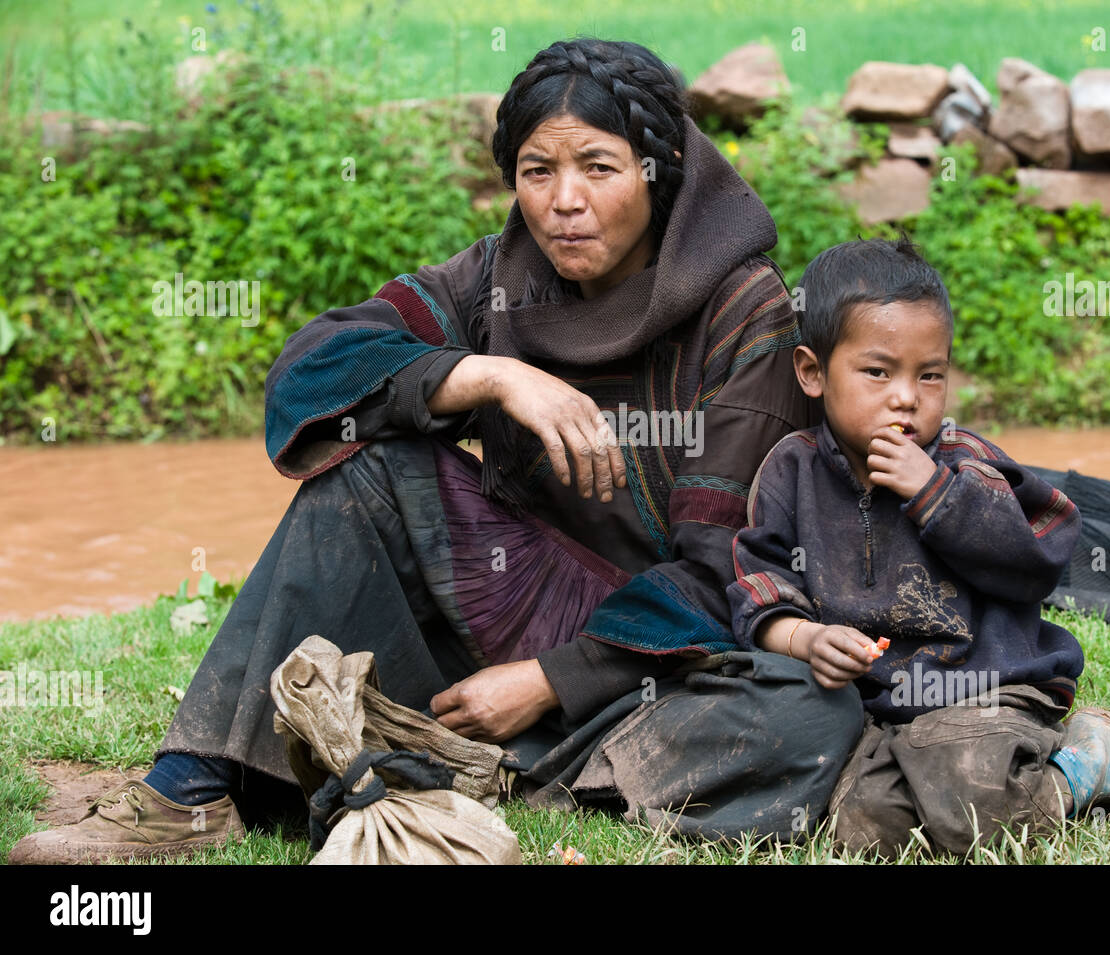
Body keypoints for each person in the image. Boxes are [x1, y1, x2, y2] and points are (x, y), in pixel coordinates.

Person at [9, 38, 864, 865]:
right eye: (538, 171)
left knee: (810, 713)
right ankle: (187, 792)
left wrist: (549, 680)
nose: (565, 199)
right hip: (498, 608)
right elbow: (311, 375)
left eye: (599, 167)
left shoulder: (746, 308)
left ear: (658, 169)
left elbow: (724, 567)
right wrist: (482, 374)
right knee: (371, 467)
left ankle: (467, 762)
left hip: (660, 657)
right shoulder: (496, 278)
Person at [725, 236, 1110, 859]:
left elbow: (1041, 555)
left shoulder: (967, 464)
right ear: (812, 372)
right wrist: (805, 639)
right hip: (882, 712)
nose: (907, 397)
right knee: (865, 822)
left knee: (974, 800)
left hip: (990, 692)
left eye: (930, 375)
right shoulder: (790, 472)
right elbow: (761, 586)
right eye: (878, 372)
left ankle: (1092, 762)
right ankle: (963, 779)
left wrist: (935, 493)